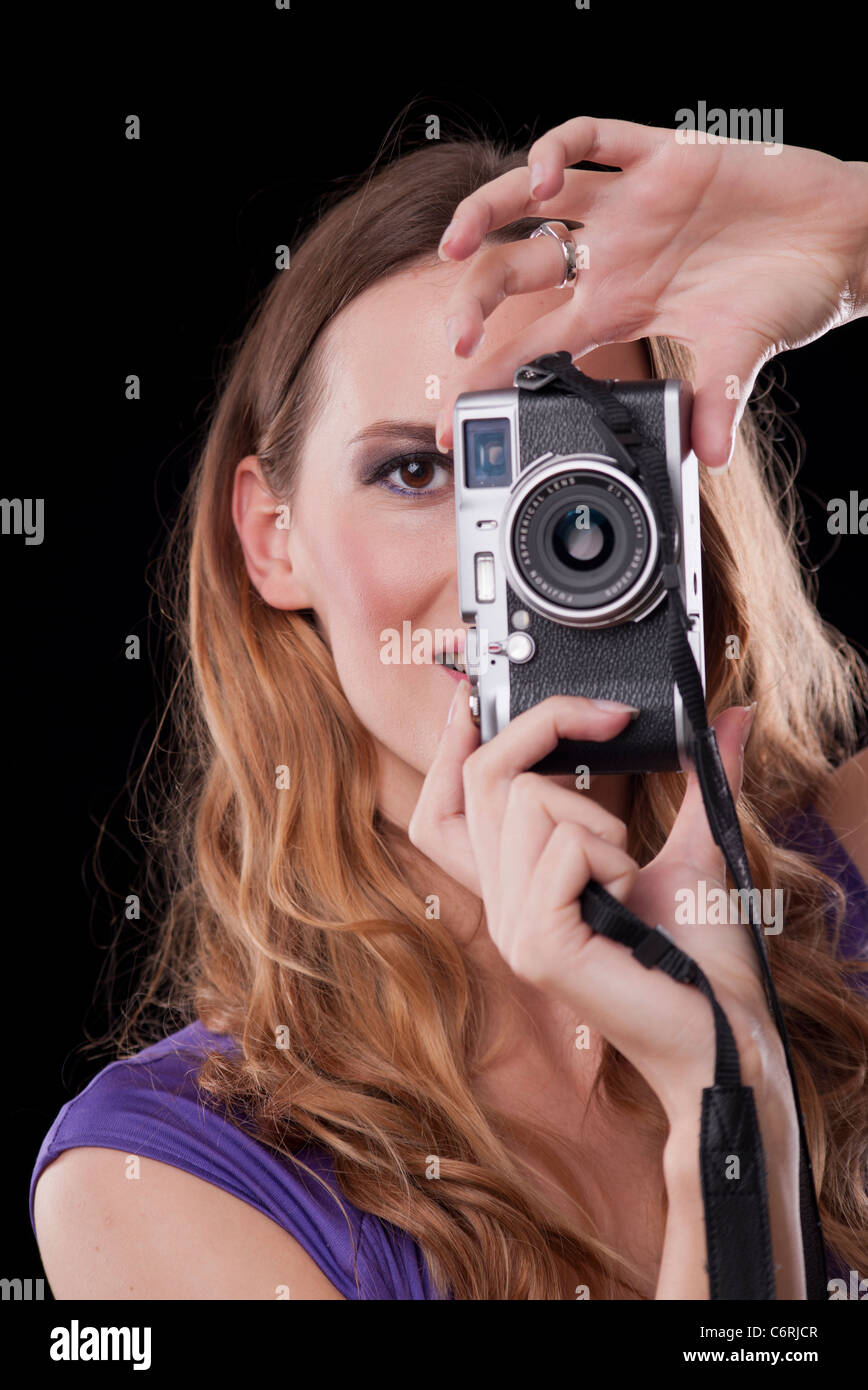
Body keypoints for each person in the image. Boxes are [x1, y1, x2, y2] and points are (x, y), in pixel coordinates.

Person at [31, 117, 868, 1300]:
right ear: (275, 541)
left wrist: (845, 233)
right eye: (419, 472)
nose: (512, 553)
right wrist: (727, 1102)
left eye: (574, 464)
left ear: (675, 502)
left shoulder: (848, 886)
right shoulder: (163, 1178)